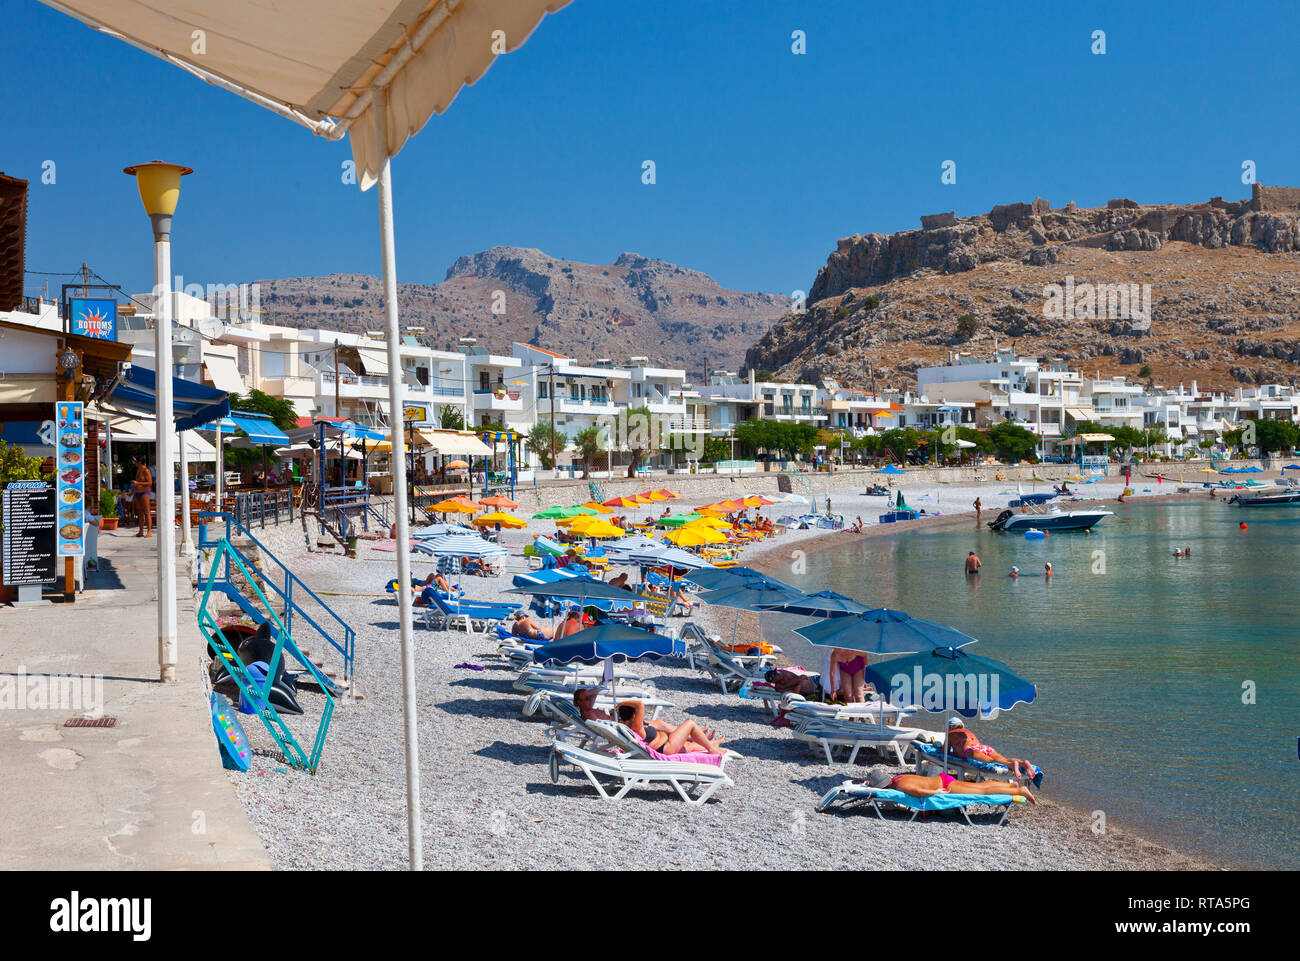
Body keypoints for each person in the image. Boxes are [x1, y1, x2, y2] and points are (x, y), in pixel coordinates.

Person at [574, 689, 720, 749]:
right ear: (578, 703)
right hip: (623, 726)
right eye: (586, 698)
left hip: (622, 723)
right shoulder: (589, 714)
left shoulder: (588, 710)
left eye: (590, 697)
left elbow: (594, 693)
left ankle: (695, 736)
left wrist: (587, 694)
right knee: (660, 725)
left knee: (660, 724)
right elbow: (605, 725)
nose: (590, 699)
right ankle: (695, 736)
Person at [615, 699, 726, 756]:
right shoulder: (636, 727)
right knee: (690, 723)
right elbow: (640, 704)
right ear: (634, 715)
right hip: (666, 748)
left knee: (690, 746)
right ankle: (712, 750)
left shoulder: (629, 726)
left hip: (665, 745)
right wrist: (620, 705)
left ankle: (712, 744)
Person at [945, 718, 1038, 781]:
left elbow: (944, 752)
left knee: (991, 761)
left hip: (970, 750)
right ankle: (1023, 763)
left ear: (950, 727)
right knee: (1003, 759)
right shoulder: (968, 731)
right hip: (984, 748)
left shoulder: (950, 733)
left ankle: (1012, 764)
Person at [878, 770, 1037, 805]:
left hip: (945, 786)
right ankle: (1009, 785)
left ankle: (1019, 790)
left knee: (982, 791)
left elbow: (918, 792)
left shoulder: (901, 785)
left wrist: (936, 792)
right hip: (942, 778)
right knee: (980, 786)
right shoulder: (898, 777)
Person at [132, 458, 153, 538]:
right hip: (137, 492)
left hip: (144, 492)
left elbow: (150, 482)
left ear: (140, 462)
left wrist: (138, 483)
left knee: (146, 512)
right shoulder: (138, 470)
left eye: (136, 462)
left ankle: (149, 531)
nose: (135, 463)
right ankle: (140, 531)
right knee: (140, 512)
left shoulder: (146, 470)